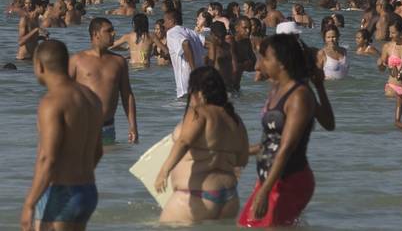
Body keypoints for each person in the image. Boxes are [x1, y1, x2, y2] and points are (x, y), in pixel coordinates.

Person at [238, 34, 335, 228]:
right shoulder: (277, 89)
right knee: (245, 225)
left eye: (266, 58)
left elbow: (287, 147)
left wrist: (265, 192)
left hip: (290, 180)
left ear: (281, 62)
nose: (261, 64)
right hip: (269, 179)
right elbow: (271, 141)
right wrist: (238, 153)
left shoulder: (299, 96)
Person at [22, 40, 103, 231]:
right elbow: (98, 151)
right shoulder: (91, 98)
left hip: (62, 192)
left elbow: (48, 158)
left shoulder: (51, 102)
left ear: (39, 66)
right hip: (88, 191)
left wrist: (29, 204)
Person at [155, 66, 249, 223]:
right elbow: (242, 159)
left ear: (198, 91)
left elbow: (184, 142)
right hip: (229, 198)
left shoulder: (200, 112)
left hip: (196, 196)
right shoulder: (235, 119)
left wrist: (163, 172)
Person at [69, 17, 138, 145]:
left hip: (108, 127)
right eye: (109, 31)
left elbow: (127, 95)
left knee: (109, 162)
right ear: (96, 34)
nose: (114, 33)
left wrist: (133, 126)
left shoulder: (119, 61)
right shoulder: (77, 60)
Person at [165, 9, 206, 100]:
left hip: (187, 84)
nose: (164, 24)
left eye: (165, 21)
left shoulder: (172, 32)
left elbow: (185, 44)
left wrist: (193, 70)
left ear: (172, 21)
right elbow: (208, 43)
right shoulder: (192, 32)